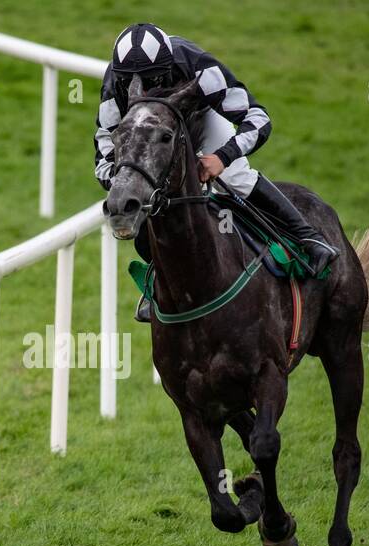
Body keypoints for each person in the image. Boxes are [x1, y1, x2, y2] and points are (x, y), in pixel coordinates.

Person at [94, 23, 339, 322]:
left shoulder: (199, 67)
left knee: (236, 177)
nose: (141, 86)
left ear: (168, 67)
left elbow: (258, 119)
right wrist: (122, 178)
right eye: (131, 80)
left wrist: (222, 158)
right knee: (146, 198)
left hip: (200, 118)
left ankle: (309, 238)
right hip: (147, 134)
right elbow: (104, 144)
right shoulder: (114, 82)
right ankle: (157, 282)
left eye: (150, 79)